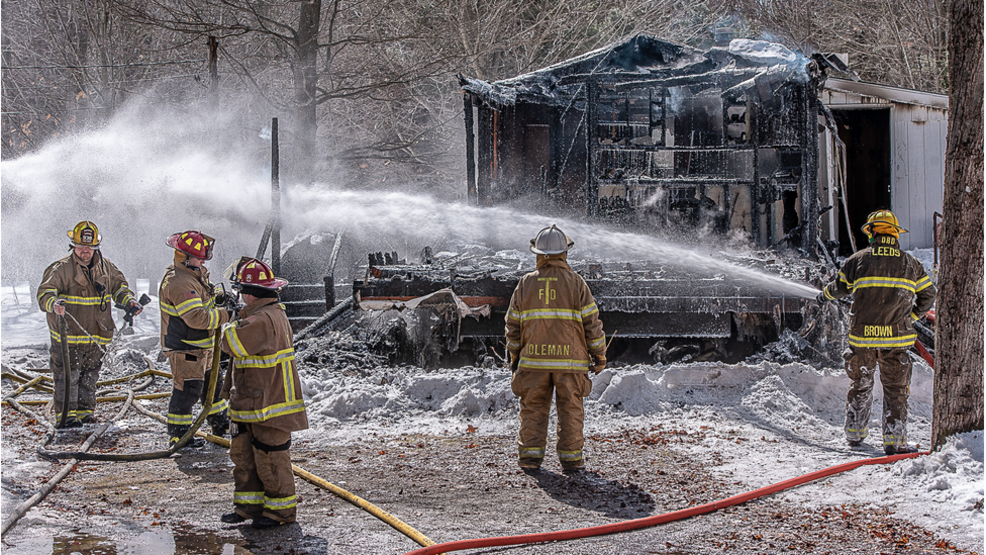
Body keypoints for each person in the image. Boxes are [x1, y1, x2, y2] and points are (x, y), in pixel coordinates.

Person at [817, 210, 936, 455]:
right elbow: (929, 294)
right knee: (896, 389)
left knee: (860, 383)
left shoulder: (857, 260)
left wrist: (822, 295)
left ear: (872, 233)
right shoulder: (910, 264)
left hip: (862, 338)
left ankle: (855, 434)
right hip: (896, 338)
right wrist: (911, 317)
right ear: (894, 234)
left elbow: (838, 289)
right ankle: (894, 441)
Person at [505, 225, 607, 472]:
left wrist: (515, 356)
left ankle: (530, 458)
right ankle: (571, 460)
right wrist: (599, 356)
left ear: (539, 254)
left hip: (533, 363)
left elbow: (513, 326)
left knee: (533, 411)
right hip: (570, 364)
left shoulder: (525, 284)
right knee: (571, 411)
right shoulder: (576, 284)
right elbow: (592, 324)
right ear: (564, 254)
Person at [219, 258, 308, 529]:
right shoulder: (263, 313)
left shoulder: (263, 319)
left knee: (270, 458)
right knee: (244, 455)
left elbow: (229, 343)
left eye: (240, 291)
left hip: (268, 405)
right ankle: (249, 507)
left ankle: (279, 512)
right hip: (253, 401)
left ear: (248, 292)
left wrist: (226, 319)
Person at [37, 221, 142, 428]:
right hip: (68, 337)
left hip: (97, 336)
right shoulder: (60, 269)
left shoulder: (107, 267)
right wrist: (53, 304)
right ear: (73, 246)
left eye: (90, 247)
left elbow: (120, 287)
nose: (85, 251)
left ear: (96, 247)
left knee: (89, 378)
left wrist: (129, 301)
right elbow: (45, 293)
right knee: (68, 378)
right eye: (81, 246)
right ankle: (66, 418)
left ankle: (85, 415)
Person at [159, 230, 231, 448]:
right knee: (187, 391)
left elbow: (203, 297)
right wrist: (227, 314)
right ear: (184, 256)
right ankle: (179, 435)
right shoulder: (179, 282)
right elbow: (196, 317)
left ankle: (220, 424)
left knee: (214, 388)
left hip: (203, 347)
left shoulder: (192, 274)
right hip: (185, 348)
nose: (203, 261)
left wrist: (218, 296)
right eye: (199, 257)